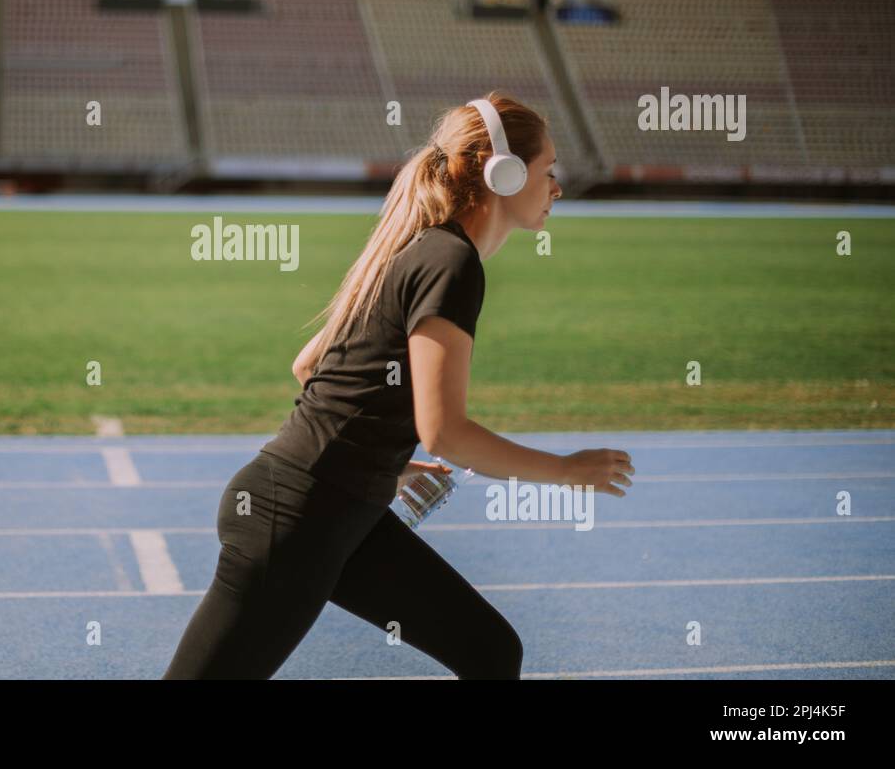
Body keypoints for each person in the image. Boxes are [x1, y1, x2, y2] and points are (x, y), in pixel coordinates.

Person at [162, 92, 635, 679]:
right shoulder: (450, 262)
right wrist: (564, 470)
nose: (558, 187)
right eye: (549, 172)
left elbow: (310, 365)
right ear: (504, 173)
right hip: (295, 518)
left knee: (488, 650)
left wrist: (381, 459)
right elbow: (446, 433)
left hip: (335, 511)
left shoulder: (425, 249)